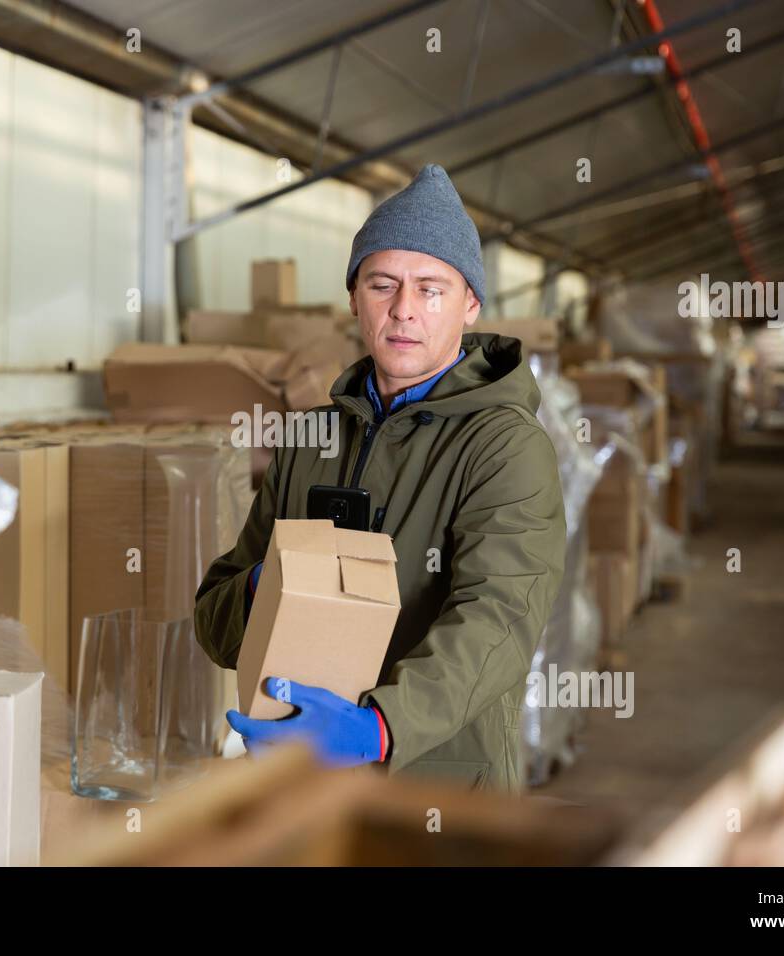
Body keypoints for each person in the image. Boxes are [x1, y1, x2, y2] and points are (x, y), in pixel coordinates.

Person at [193, 163, 566, 792]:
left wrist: (379, 728)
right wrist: (264, 588)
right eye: (382, 284)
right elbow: (216, 621)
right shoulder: (311, 439)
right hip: (297, 769)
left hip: (436, 783)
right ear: (353, 298)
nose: (403, 311)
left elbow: (498, 618)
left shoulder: (505, 446)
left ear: (470, 304)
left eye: (431, 289)